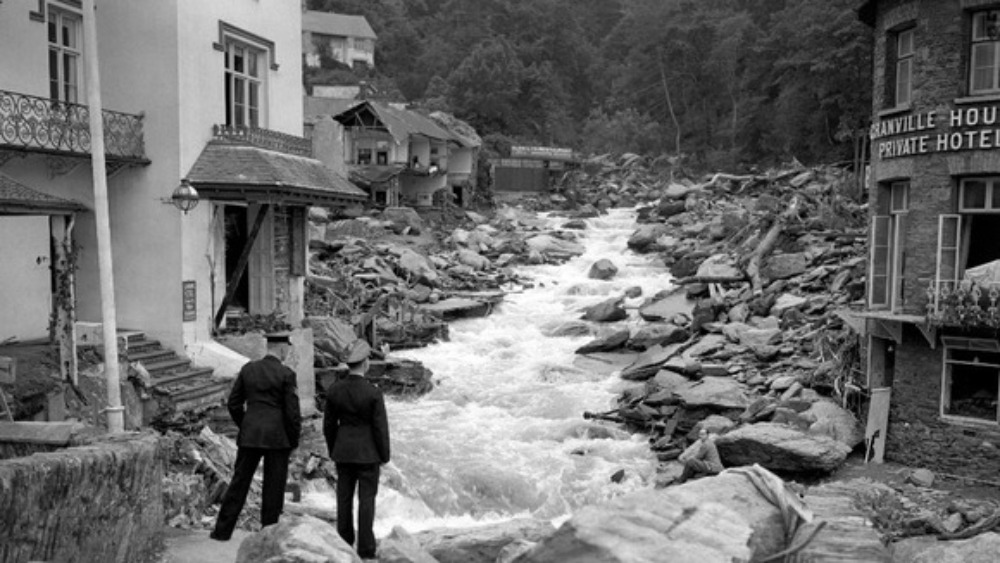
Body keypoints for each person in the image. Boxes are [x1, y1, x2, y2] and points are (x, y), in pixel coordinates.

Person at [211, 331, 302, 541]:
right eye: (287, 349)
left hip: (250, 434)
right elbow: (292, 413)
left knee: (239, 482)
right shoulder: (287, 374)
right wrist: (293, 440)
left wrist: (246, 424)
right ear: (281, 348)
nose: (287, 353)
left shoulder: (248, 369)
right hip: (278, 438)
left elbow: (234, 403)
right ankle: (267, 533)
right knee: (273, 487)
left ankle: (222, 531)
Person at [324, 339, 391, 560]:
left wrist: (334, 449)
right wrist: (384, 455)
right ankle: (366, 548)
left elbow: (328, 427)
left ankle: (343, 541)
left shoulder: (335, 390)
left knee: (343, 498)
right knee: (366, 500)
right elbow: (380, 428)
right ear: (365, 363)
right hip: (368, 453)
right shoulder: (373, 393)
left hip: (343, 451)